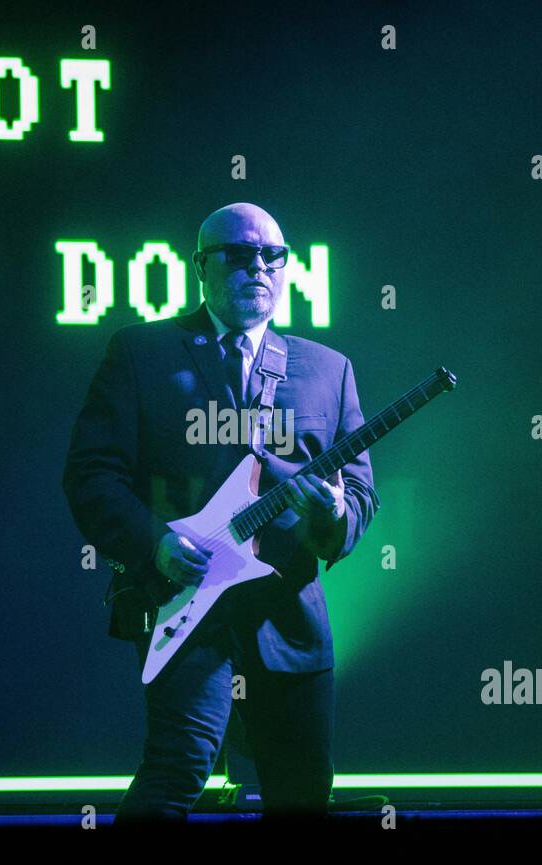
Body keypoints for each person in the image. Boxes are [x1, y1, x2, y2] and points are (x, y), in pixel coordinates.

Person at [62, 202, 378, 822]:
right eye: (238, 254)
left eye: (273, 256)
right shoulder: (141, 352)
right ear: (201, 266)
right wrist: (154, 542)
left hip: (288, 618)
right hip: (186, 608)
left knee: (303, 794)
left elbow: (361, 499)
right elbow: (92, 476)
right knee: (176, 770)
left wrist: (334, 514)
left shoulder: (328, 370)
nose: (257, 266)